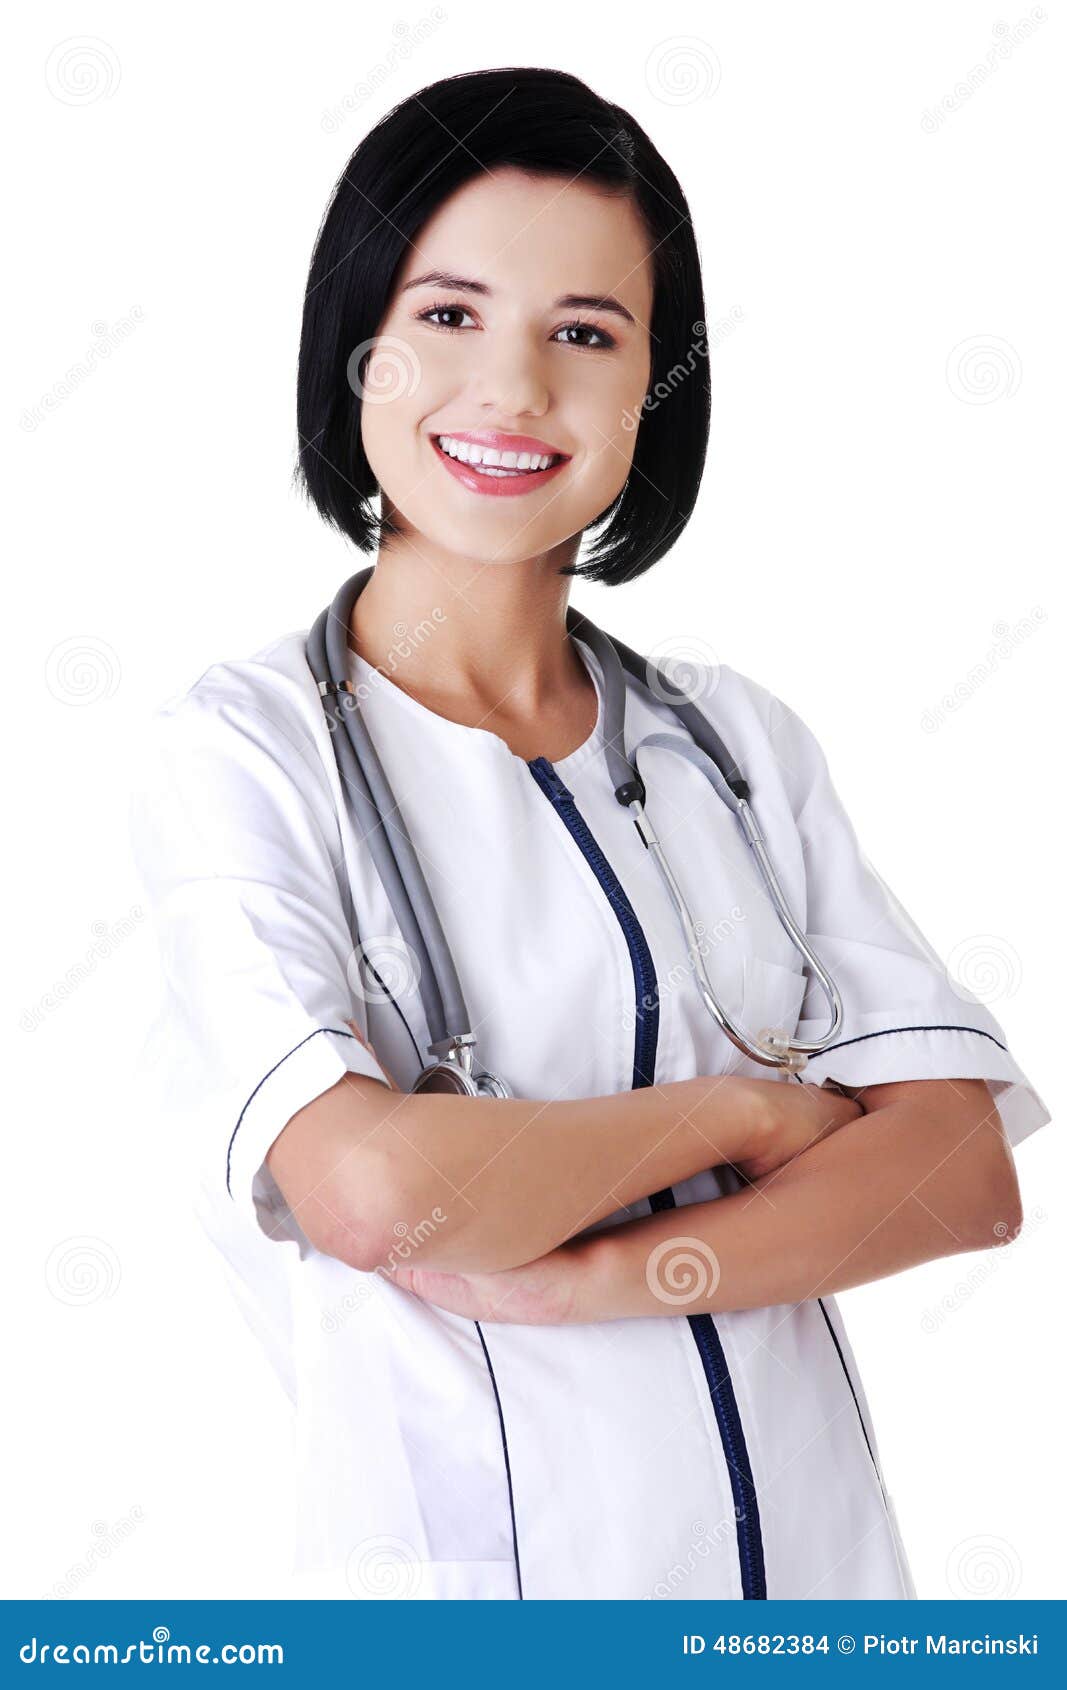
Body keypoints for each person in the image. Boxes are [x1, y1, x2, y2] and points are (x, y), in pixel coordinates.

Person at [128, 66, 1050, 1601]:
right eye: (447, 316)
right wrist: (751, 1117)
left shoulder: (734, 741)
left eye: (584, 334)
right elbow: (368, 1193)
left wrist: (585, 1276)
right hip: (497, 1607)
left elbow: (959, 1168)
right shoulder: (244, 751)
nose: (511, 389)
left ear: (650, 393)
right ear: (353, 351)